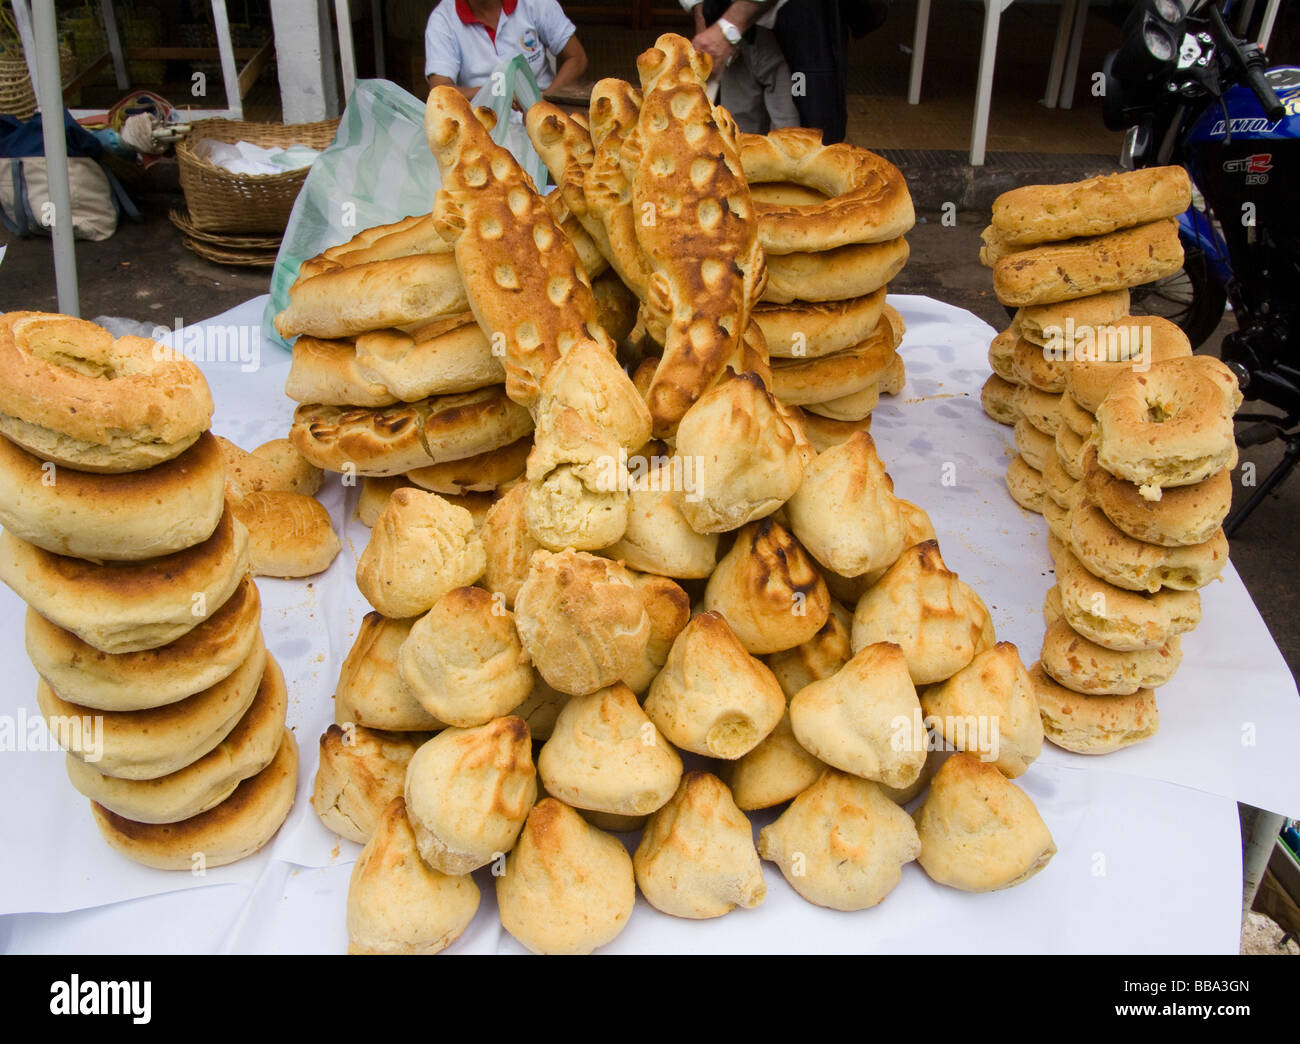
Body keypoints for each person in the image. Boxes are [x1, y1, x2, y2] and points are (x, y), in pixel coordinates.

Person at [690, 0, 849, 144]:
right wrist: (704, 20)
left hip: (797, 27)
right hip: (730, 34)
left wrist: (727, 29)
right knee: (737, 139)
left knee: (798, 142)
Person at [680, 0, 799, 135]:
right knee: (738, 132)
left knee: (791, 132)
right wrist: (704, 24)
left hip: (786, 26)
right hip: (721, 31)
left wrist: (729, 30)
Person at [425, 0, 588, 98]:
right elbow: (441, 91)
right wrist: (501, 93)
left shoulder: (535, 3)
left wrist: (544, 100)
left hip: (544, 119)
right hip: (481, 127)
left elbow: (577, 58)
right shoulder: (443, 19)